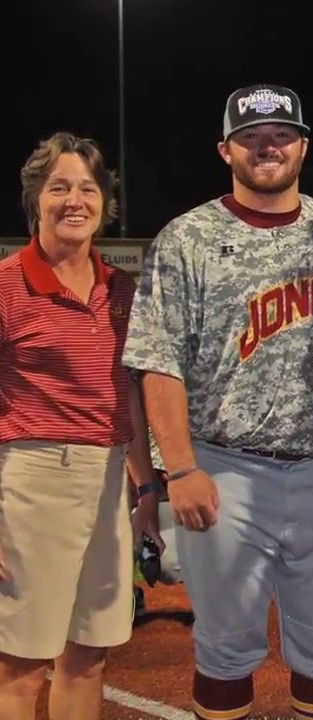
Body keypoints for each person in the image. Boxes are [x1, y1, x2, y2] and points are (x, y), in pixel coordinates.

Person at [121, 84, 313, 720]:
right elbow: (157, 361)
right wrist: (180, 468)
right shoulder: (187, 238)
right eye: (251, 137)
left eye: (281, 135)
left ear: (303, 147)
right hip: (224, 469)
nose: (268, 147)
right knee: (225, 651)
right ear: (225, 150)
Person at [0, 131, 163, 720]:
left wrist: (146, 489)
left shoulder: (121, 291)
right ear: (35, 199)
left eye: (88, 189)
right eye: (59, 187)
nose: (75, 200)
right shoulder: (7, 285)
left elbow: (128, 397)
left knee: (89, 655)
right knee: (20, 665)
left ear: (104, 201)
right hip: (32, 479)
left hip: (109, 478)